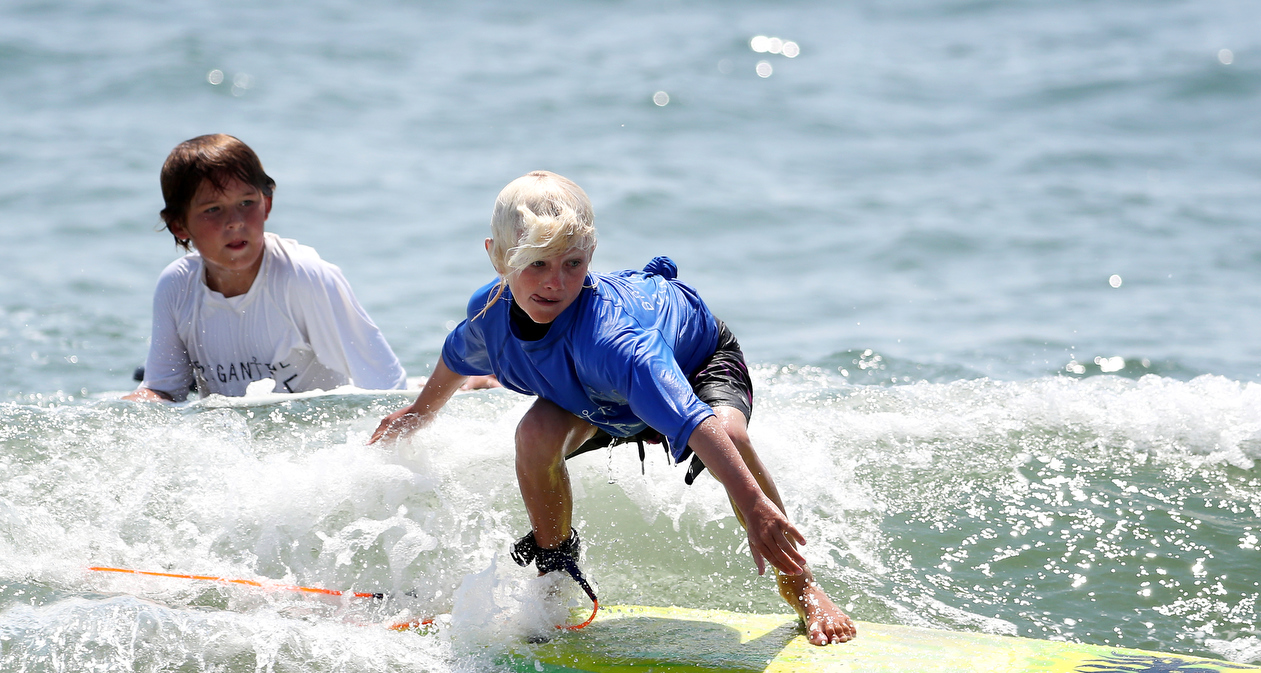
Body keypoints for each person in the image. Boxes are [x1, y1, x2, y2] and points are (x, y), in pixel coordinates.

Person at [370, 171, 855, 645]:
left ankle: (804, 589)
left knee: (732, 435)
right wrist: (420, 412)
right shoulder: (488, 316)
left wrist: (754, 507)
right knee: (534, 434)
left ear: (591, 256)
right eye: (536, 263)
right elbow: (455, 359)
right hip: (601, 397)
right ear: (497, 257)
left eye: (573, 264)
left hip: (693, 365)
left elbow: (696, 421)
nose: (556, 283)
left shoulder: (615, 341)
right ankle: (555, 571)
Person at [126, 134, 408, 402]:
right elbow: (163, 392)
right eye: (213, 209)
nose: (235, 221)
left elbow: (388, 387)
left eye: (246, 202)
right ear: (179, 225)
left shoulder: (304, 277)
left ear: (267, 205)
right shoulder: (176, 286)